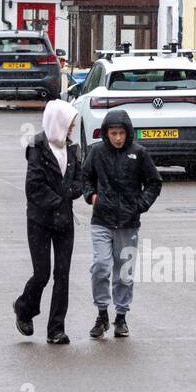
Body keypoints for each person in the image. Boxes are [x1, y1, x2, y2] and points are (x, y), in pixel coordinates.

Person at [79, 108, 161, 339]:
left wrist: (139, 205)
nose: (117, 138)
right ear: (106, 133)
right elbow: (85, 177)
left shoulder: (139, 153)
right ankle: (102, 313)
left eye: (121, 133)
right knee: (101, 266)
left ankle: (121, 317)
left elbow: (154, 182)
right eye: (113, 133)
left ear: (128, 133)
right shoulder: (97, 152)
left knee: (123, 272)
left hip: (128, 223)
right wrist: (91, 196)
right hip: (101, 221)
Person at [14, 99, 85, 344]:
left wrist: (75, 190)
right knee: (42, 273)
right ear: (57, 123)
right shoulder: (37, 147)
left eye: (73, 126)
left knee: (62, 274)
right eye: (69, 125)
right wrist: (60, 198)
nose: (71, 130)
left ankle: (56, 329)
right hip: (39, 221)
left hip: (64, 221)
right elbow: (34, 188)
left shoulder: (73, 150)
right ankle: (24, 308)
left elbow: (79, 181)